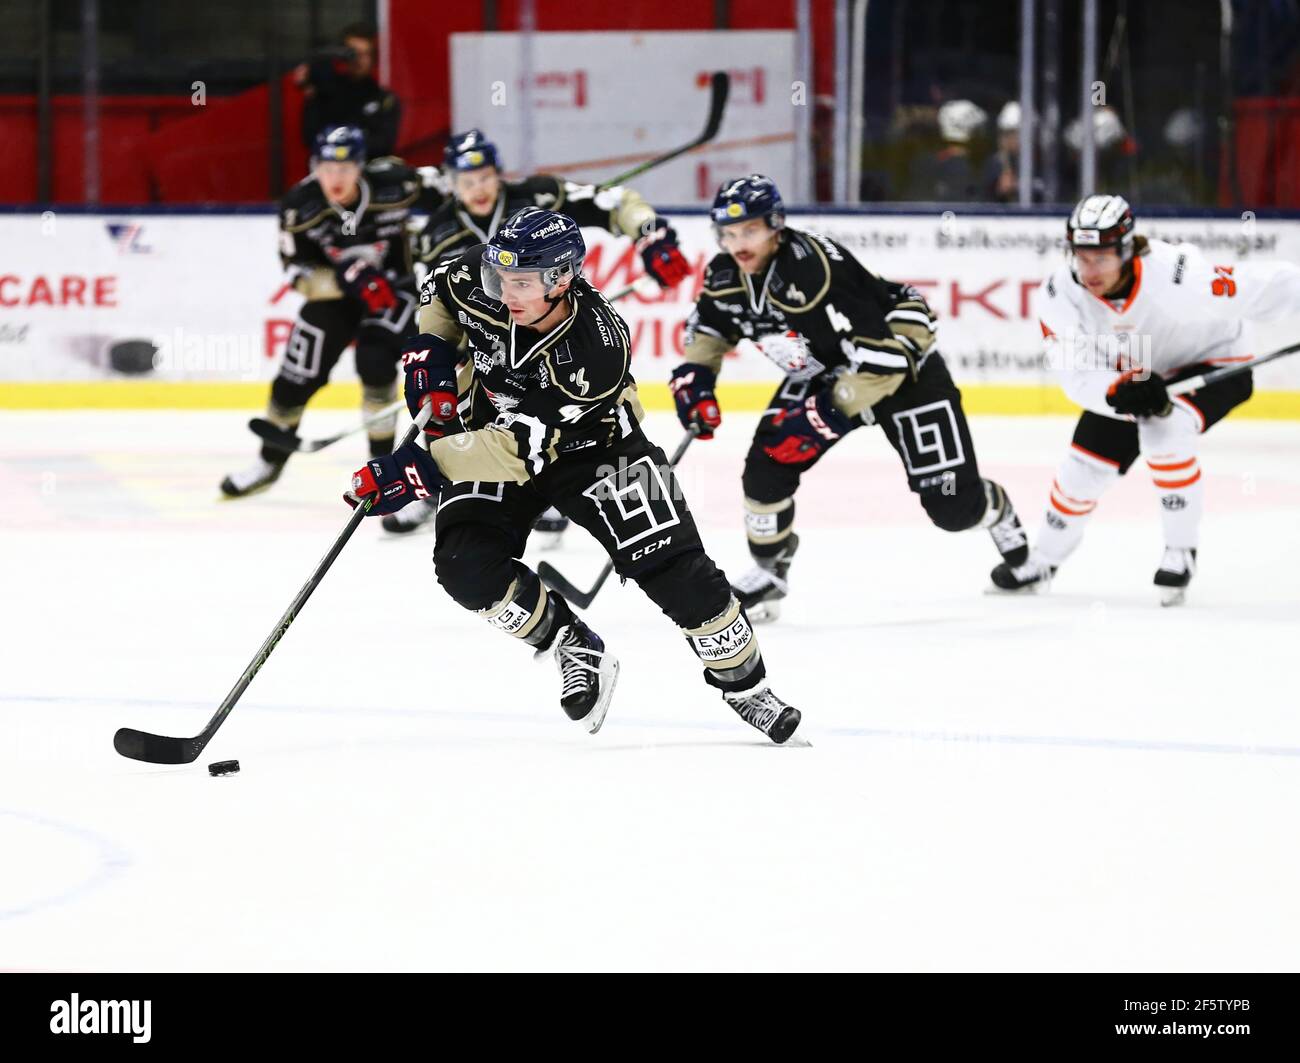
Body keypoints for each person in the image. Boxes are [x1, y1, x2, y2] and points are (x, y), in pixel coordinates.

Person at [344, 207, 803, 743]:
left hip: (598, 451)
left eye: (520, 283)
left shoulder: (596, 348)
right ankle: (570, 642)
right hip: (492, 433)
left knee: (681, 573)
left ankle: (748, 688)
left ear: (561, 280)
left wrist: (418, 469)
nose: (504, 291)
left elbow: (523, 448)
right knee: (464, 566)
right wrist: (430, 355)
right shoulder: (481, 276)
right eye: (499, 277)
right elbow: (440, 290)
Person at [669, 175, 1030, 621]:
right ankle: (770, 568)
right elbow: (710, 328)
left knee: (955, 509)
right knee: (768, 463)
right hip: (827, 368)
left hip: (903, 372)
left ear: (776, 226)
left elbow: (886, 361)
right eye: (728, 233)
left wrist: (825, 415)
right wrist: (696, 379)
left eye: (750, 231)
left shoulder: (812, 270)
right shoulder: (725, 273)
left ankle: (996, 509)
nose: (738, 242)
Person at [992, 194, 1300, 604]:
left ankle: (1179, 551)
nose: (1089, 270)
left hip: (1214, 362)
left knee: (1165, 428)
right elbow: (1075, 371)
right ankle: (1043, 559)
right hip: (1133, 378)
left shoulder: (1177, 273)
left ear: (1125, 250)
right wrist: (1116, 391)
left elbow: (1256, 289)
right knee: (1081, 467)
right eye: (1081, 257)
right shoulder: (1059, 292)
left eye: (1100, 257)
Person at [383, 128, 692, 536]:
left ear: (499, 173)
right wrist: (441, 351)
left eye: (485, 176)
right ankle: (437, 487)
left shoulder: (537, 202)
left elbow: (615, 203)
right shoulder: (436, 233)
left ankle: (553, 493)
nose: (478, 188)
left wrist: (652, 237)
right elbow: (435, 301)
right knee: (446, 404)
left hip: (552, 334)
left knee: (561, 413)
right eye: (466, 181)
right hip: (485, 345)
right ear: (450, 183)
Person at [221, 126, 441, 498]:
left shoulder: (395, 183)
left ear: (360, 167)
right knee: (295, 377)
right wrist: (347, 280)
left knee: (376, 366)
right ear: (314, 167)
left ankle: (384, 472)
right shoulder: (300, 205)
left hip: (393, 293)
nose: (335, 178)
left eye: (344, 168)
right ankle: (268, 461)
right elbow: (296, 273)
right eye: (326, 168)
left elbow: (451, 194)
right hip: (332, 298)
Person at [296, 22, 401, 160]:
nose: (358, 60)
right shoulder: (326, 93)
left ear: (373, 58)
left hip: (367, 174)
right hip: (329, 172)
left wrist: (343, 141)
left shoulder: (384, 99)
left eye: (364, 54)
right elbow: (311, 137)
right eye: (352, 53)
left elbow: (383, 144)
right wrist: (312, 93)